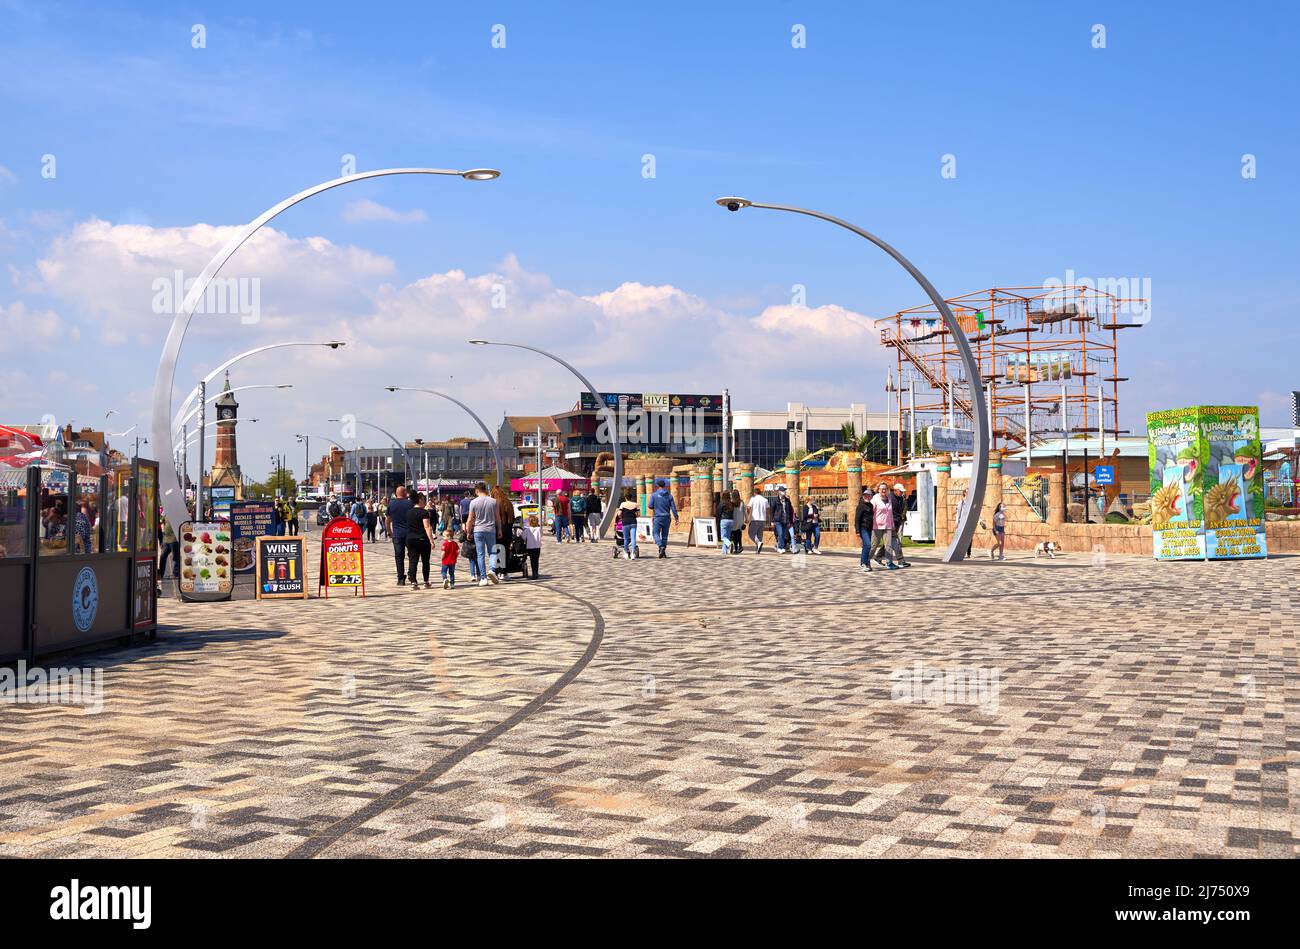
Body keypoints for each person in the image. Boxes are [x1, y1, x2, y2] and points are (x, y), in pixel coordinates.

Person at [464, 481, 501, 586]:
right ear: (485, 489)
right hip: (491, 530)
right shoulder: (493, 502)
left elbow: (470, 519)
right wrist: (500, 530)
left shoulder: (473, 502)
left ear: (477, 490)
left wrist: (468, 531)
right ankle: (492, 570)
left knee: (480, 554)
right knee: (492, 552)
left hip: (478, 530)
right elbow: (498, 517)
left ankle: (483, 578)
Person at [404, 493, 435, 589]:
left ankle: (413, 582)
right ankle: (426, 581)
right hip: (422, 539)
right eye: (424, 499)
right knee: (425, 561)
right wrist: (431, 540)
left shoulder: (408, 512)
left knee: (413, 561)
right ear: (420, 499)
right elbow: (427, 526)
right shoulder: (424, 512)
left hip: (410, 539)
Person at [385, 486, 414, 586]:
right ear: (405, 492)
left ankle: (401, 578)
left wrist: (389, 531)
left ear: (396, 493)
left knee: (399, 556)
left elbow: (387, 520)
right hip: (410, 533)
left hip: (397, 534)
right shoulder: (410, 503)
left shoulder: (391, 504)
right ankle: (411, 574)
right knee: (412, 555)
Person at [870, 481, 899, 570]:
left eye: (885, 489)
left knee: (888, 545)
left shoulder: (889, 498)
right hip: (877, 526)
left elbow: (890, 514)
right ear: (878, 489)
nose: (883, 490)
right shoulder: (874, 499)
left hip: (888, 526)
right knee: (874, 545)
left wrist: (892, 525)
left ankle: (889, 562)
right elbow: (870, 512)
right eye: (881, 489)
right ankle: (866, 561)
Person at [647, 478, 679, 558]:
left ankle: (661, 546)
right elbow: (673, 508)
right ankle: (663, 551)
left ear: (657, 486)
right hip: (667, 517)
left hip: (658, 517)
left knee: (655, 533)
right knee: (665, 535)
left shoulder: (654, 495)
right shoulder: (669, 495)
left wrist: (656, 505)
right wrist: (676, 517)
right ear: (665, 486)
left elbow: (650, 506)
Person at [492, 485, 515, 581]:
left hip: (497, 528)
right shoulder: (508, 503)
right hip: (508, 529)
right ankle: (504, 572)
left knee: (497, 550)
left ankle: (497, 571)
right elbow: (512, 518)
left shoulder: (494, 503)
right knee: (506, 550)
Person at [888, 483, 912, 567]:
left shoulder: (901, 498)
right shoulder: (890, 498)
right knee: (895, 542)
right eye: (900, 491)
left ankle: (879, 557)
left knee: (891, 542)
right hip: (890, 523)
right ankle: (900, 561)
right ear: (896, 490)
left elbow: (903, 508)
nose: (902, 492)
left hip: (897, 522)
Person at [854, 487, 875, 573]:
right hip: (863, 528)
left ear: (871, 497)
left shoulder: (871, 505)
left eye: (869, 496)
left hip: (869, 528)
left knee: (866, 546)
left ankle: (867, 563)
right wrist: (857, 531)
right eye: (865, 495)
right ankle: (863, 563)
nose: (867, 497)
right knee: (868, 545)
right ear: (863, 496)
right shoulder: (861, 506)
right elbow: (857, 519)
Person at [770, 484, 794, 553]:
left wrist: (790, 521)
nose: (784, 492)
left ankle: (781, 546)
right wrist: (772, 520)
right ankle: (780, 547)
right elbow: (772, 511)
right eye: (783, 491)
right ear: (779, 492)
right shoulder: (775, 500)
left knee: (783, 535)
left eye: (784, 491)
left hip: (785, 520)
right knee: (780, 534)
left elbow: (790, 511)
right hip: (778, 520)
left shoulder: (787, 500)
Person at [617, 488, 640, 559]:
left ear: (625, 497)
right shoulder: (636, 504)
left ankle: (626, 553)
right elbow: (638, 514)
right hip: (633, 522)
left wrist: (622, 517)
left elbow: (619, 514)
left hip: (625, 522)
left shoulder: (623, 504)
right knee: (633, 538)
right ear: (631, 497)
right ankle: (633, 553)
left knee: (626, 538)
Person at [746, 488, 769, 553]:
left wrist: (747, 516)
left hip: (755, 519)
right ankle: (758, 549)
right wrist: (767, 518)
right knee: (760, 534)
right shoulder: (765, 500)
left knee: (751, 533)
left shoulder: (753, 499)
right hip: (763, 519)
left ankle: (758, 543)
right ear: (760, 493)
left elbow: (748, 507)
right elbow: (768, 510)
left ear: (754, 493)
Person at [522, 514, 542, 578]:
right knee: (536, 560)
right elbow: (541, 535)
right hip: (537, 546)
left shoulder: (527, 530)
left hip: (530, 547)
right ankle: (536, 572)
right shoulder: (539, 529)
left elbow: (523, 537)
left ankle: (533, 572)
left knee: (532, 560)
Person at [955, 488, 972, 559]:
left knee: (969, 538)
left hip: (969, 522)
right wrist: (957, 522)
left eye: (969, 492)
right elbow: (958, 513)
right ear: (964, 493)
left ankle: (968, 553)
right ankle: (959, 552)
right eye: (967, 492)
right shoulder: (961, 502)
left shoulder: (971, 502)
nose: (968, 494)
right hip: (961, 522)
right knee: (960, 537)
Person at [729, 489, 746, 554]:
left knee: (734, 535)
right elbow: (744, 511)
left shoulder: (732, 502)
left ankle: (736, 548)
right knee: (739, 534)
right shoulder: (741, 502)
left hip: (734, 521)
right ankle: (740, 546)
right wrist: (746, 519)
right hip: (740, 521)